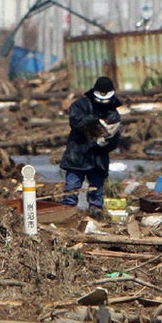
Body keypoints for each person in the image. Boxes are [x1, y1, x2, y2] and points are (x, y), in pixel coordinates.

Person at [60, 76, 128, 217]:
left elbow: (115, 138)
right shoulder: (81, 105)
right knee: (72, 188)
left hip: (98, 157)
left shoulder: (113, 114)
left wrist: (106, 143)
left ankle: (95, 214)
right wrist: (95, 121)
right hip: (77, 154)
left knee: (96, 190)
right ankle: (66, 214)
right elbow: (75, 122)